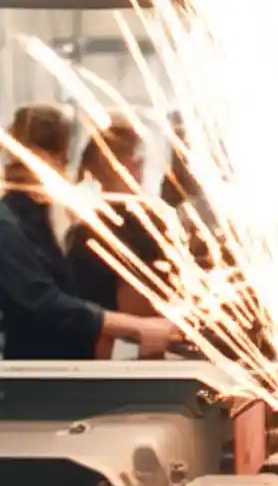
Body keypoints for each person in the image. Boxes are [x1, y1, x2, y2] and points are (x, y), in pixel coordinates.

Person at [0, 104, 178, 360]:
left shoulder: (48, 220)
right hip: (34, 376)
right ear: (38, 158)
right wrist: (136, 327)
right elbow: (43, 301)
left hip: (62, 367)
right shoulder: (10, 224)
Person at [65, 119, 167, 357]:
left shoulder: (86, 231)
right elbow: (136, 304)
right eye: (135, 156)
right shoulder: (135, 226)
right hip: (127, 349)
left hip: (110, 352)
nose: (140, 163)